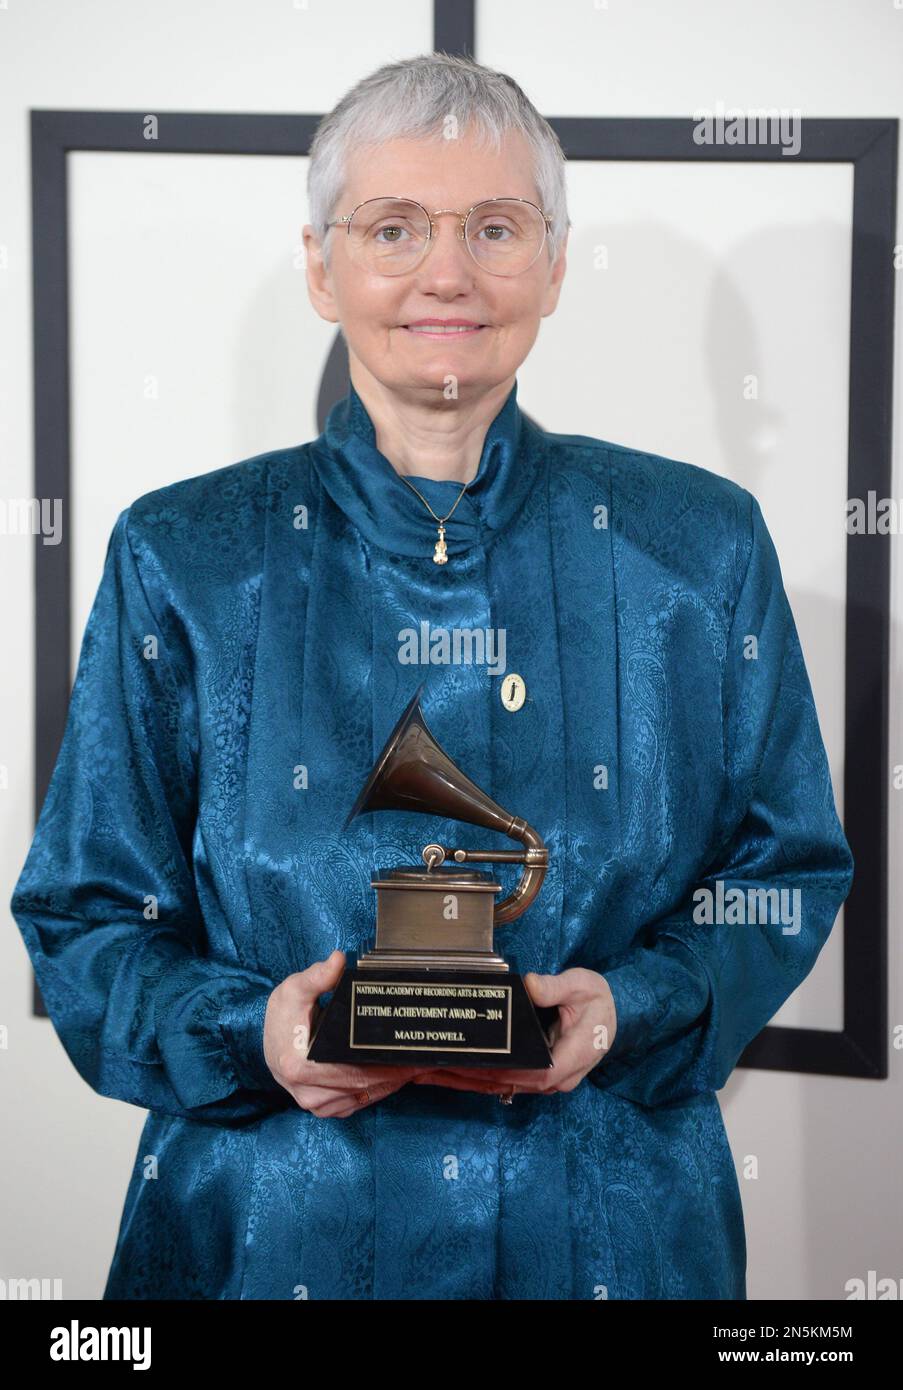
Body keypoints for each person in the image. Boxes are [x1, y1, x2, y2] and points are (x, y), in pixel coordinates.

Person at [10, 51, 853, 1301]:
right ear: (320, 263)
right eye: (393, 227)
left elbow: (785, 874)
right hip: (265, 1247)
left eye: (495, 227)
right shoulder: (182, 556)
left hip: (612, 1248)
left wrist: (632, 1005)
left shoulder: (702, 546)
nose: (446, 274)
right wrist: (260, 1034)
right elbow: (83, 924)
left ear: (556, 264)